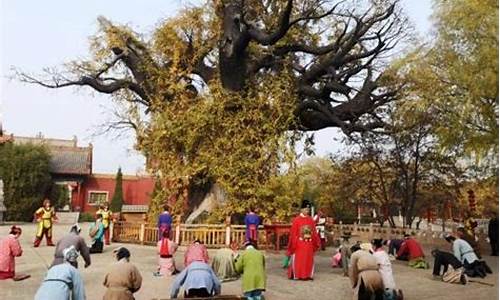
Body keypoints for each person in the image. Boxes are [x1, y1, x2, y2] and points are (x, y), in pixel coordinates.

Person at [286, 199, 321, 280]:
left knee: (308, 260)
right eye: (306, 209)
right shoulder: (296, 220)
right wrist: (294, 243)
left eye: (308, 209)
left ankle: (308, 275)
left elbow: (314, 232)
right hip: (300, 243)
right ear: (302, 209)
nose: (307, 210)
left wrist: (316, 242)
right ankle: (299, 275)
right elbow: (293, 234)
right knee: (299, 260)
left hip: (309, 243)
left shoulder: (310, 220)